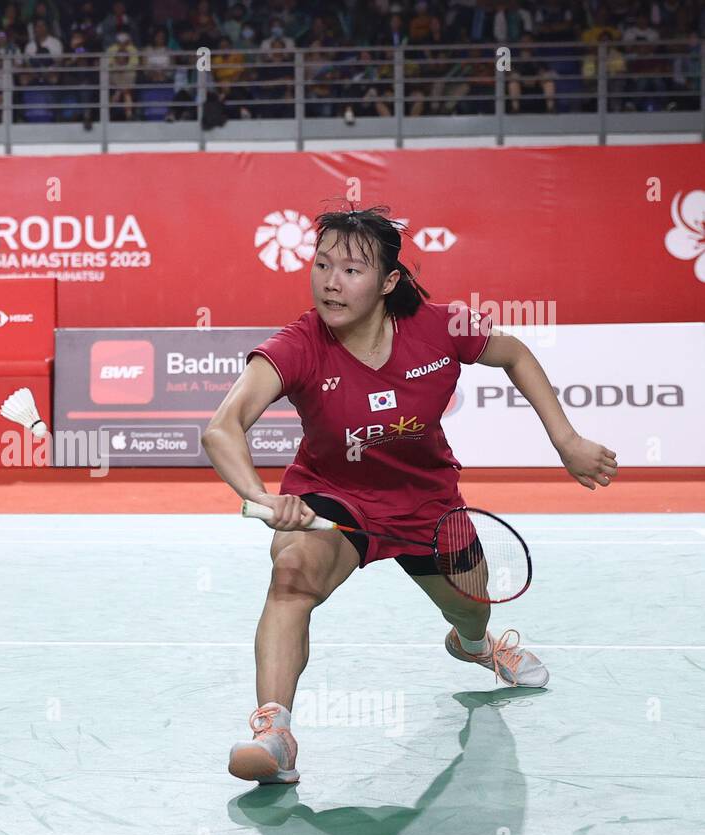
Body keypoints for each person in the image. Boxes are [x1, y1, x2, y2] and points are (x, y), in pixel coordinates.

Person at [202, 206, 618, 785]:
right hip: (334, 495)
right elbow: (222, 427)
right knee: (291, 573)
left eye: (350, 270)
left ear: (389, 282)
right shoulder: (299, 345)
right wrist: (262, 497)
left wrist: (566, 440)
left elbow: (515, 353)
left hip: (427, 503)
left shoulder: (441, 326)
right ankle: (274, 734)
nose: (330, 281)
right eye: (322, 265)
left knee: (473, 607)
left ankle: (474, 645)